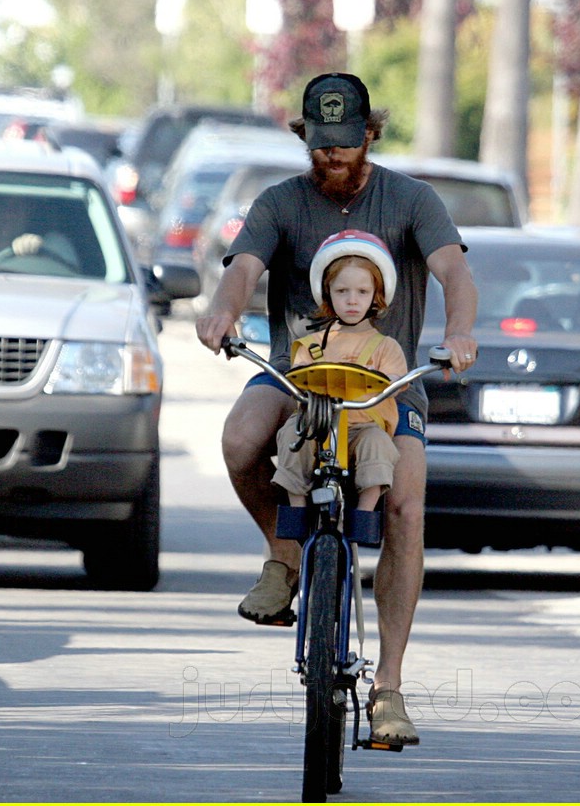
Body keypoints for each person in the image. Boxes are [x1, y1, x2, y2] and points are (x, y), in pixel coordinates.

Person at [196, 71, 479, 747]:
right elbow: (242, 269)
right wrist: (222, 310)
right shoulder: (280, 202)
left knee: (408, 502)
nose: (334, 159)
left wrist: (460, 331)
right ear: (305, 139)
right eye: (322, 147)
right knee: (240, 440)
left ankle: (390, 685)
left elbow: (454, 271)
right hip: (302, 374)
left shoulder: (411, 199)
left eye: (346, 146)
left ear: (369, 136)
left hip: (384, 385)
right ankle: (285, 557)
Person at [272, 231, 406, 515]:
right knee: (290, 435)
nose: (352, 301)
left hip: (363, 427)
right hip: (317, 426)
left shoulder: (385, 347)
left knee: (378, 443)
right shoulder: (310, 346)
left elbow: (397, 382)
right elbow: (298, 380)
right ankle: (296, 509)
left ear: (376, 295)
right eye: (342, 291)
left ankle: (365, 513)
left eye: (362, 292)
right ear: (328, 293)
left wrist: (385, 381)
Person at [0, 193, 77, 269]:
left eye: (16, 207)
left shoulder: (54, 245)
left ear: (28, 214)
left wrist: (38, 254)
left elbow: (74, 289)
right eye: (2, 206)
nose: (8, 214)